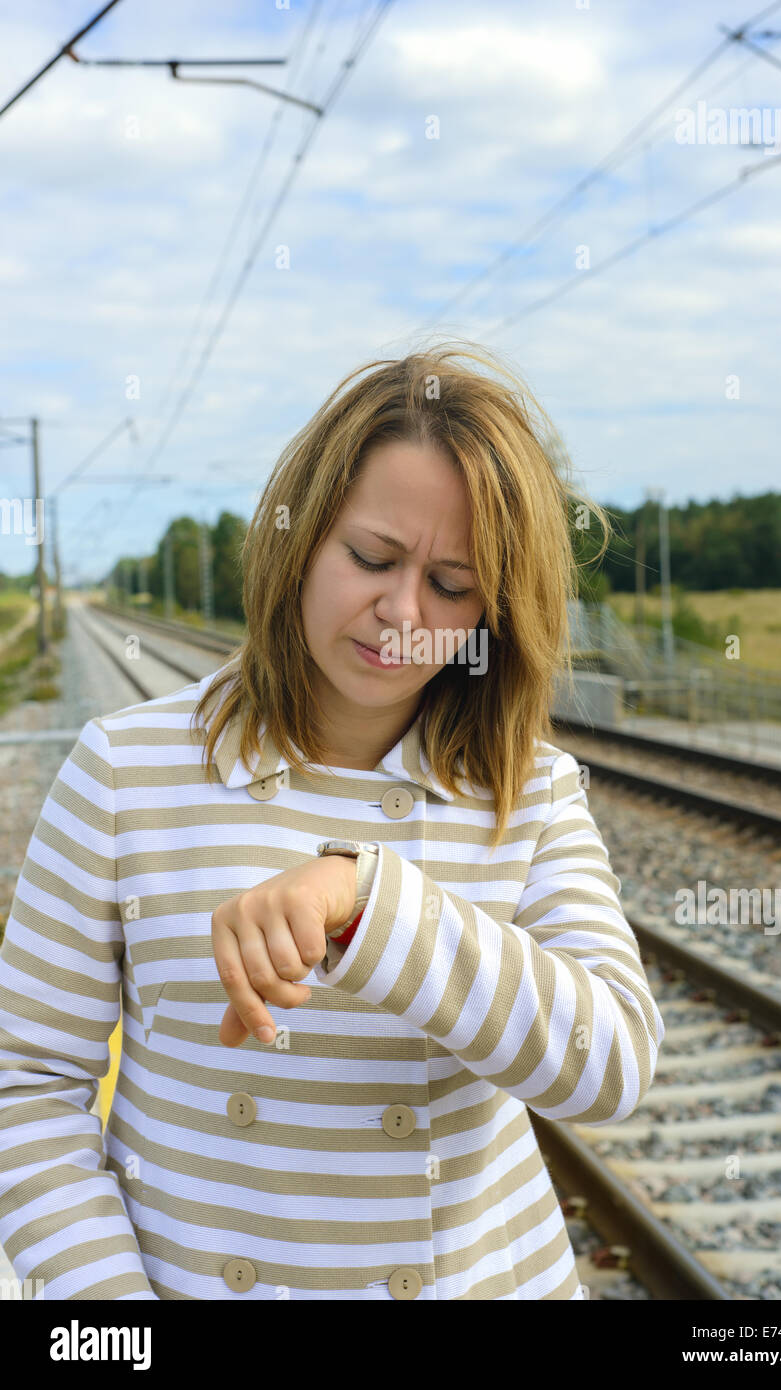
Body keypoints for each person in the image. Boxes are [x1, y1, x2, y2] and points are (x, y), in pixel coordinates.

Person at [0, 339, 665, 1300]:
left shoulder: (531, 788)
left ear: (494, 613)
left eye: (450, 585)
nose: (401, 612)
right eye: (370, 557)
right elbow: (26, 1091)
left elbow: (610, 1067)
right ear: (299, 536)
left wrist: (369, 903)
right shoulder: (122, 770)